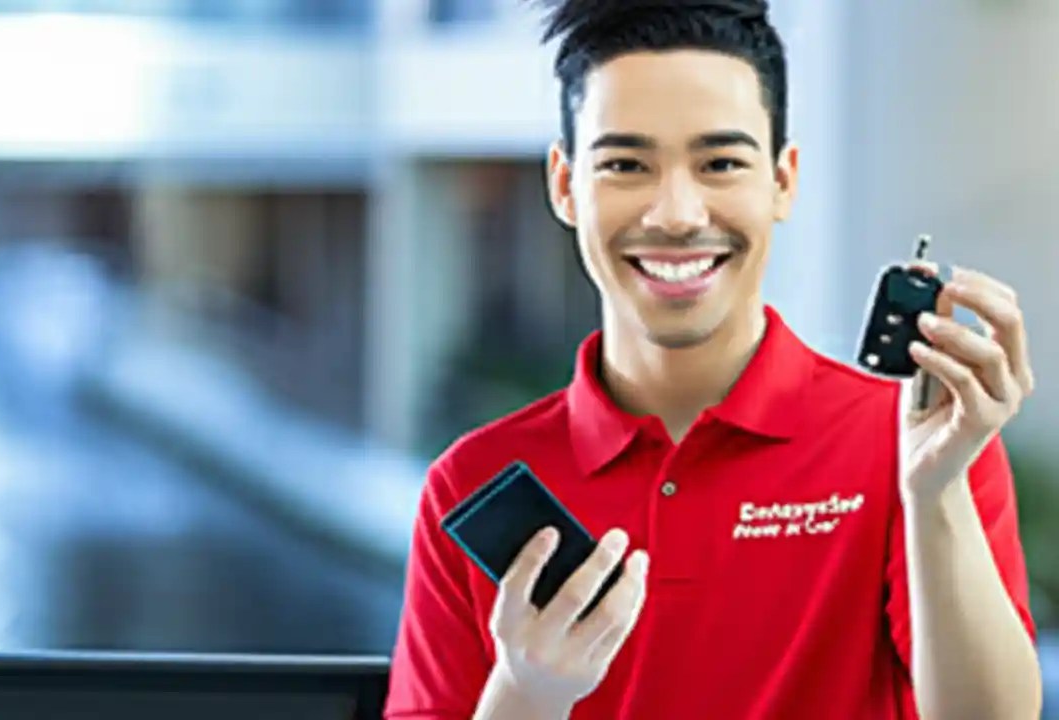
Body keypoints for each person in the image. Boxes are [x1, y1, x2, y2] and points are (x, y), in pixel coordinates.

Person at [383, 1, 1042, 718]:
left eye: (720, 163)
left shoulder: (925, 446)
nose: (677, 214)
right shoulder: (470, 483)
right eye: (627, 164)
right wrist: (526, 695)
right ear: (566, 186)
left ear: (782, 181)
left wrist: (935, 492)